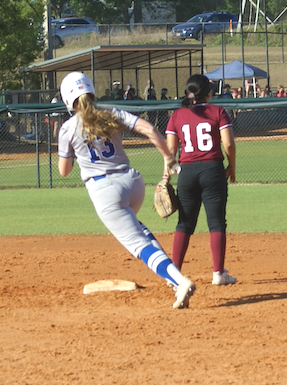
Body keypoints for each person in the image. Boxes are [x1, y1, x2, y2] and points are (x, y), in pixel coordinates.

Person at [56, 72, 195, 309]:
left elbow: (64, 171)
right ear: (91, 90)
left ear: (68, 99)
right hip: (133, 183)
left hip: (105, 192)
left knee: (138, 246)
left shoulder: (68, 128)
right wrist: (168, 158)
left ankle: (179, 281)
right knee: (139, 230)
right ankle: (171, 276)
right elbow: (150, 129)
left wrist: (71, 148)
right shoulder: (111, 112)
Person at [165, 74, 238, 287]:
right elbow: (229, 144)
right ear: (208, 92)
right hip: (213, 170)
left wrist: (165, 176)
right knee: (216, 222)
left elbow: (171, 150)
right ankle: (218, 274)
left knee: (185, 223)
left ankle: (174, 274)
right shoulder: (218, 111)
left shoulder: (177, 115)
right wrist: (231, 166)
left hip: (186, 172)